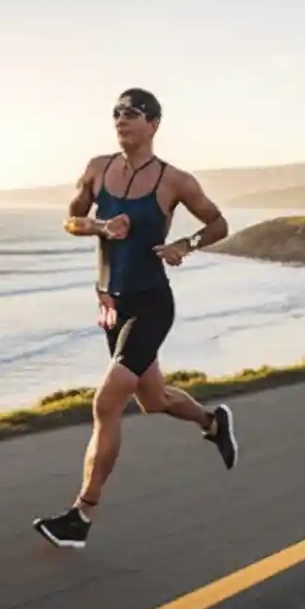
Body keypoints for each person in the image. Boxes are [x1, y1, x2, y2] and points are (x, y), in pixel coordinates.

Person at [33, 87, 238, 549]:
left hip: (151, 304)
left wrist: (185, 245)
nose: (121, 119)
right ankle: (213, 422)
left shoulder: (174, 180)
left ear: (154, 124)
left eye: (132, 112)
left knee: (107, 403)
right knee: (152, 398)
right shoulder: (97, 168)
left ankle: (81, 516)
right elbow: (71, 220)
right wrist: (100, 226)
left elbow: (218, 223)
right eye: (116, 112)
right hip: (111, 305)